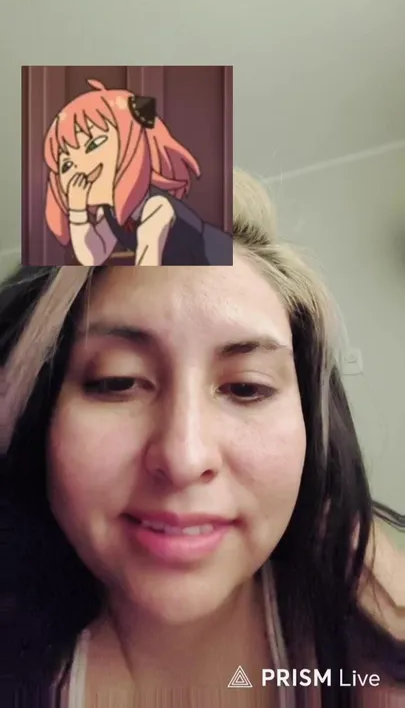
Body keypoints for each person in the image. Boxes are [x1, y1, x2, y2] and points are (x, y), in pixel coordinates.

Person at [0, 170, 403, 707]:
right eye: (118, 381)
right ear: (38, 415)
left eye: (246, 387)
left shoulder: (358, 599)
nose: (184, 458)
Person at [42, 79, 233, 266]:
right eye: (66, 165)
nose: (79, 166)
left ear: (132, 144)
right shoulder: (109, 213)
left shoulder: (157, 208)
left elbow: (147, 268)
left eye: (94, 144)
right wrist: (77, 212)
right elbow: (93, 256)